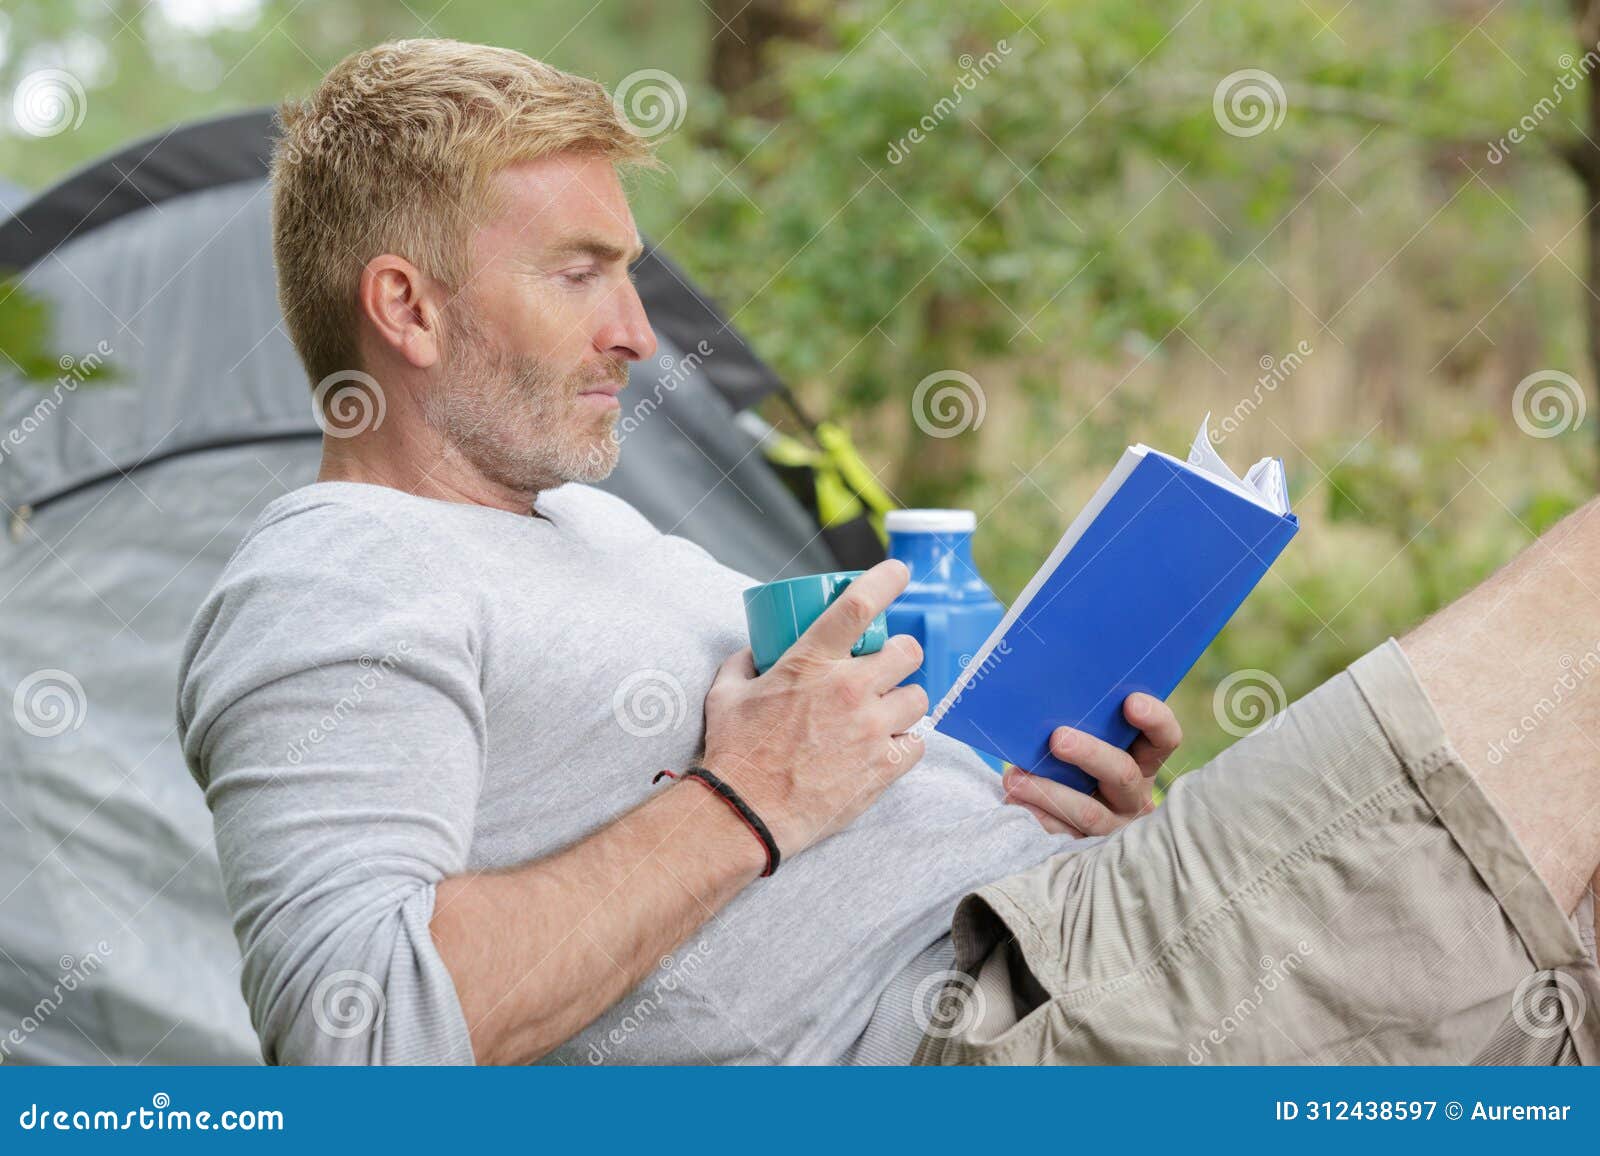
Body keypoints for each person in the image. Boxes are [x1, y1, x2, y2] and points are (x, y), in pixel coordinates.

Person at [178, 38, 1600, 1066]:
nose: (639, 332)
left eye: (627, 268)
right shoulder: (337, 572)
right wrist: (744, 798)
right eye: (578, 273)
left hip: (1077, 929)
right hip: (992, 1029)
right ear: (406, 312)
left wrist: (1035, 790)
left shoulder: (584, 526)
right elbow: (358, 1036)